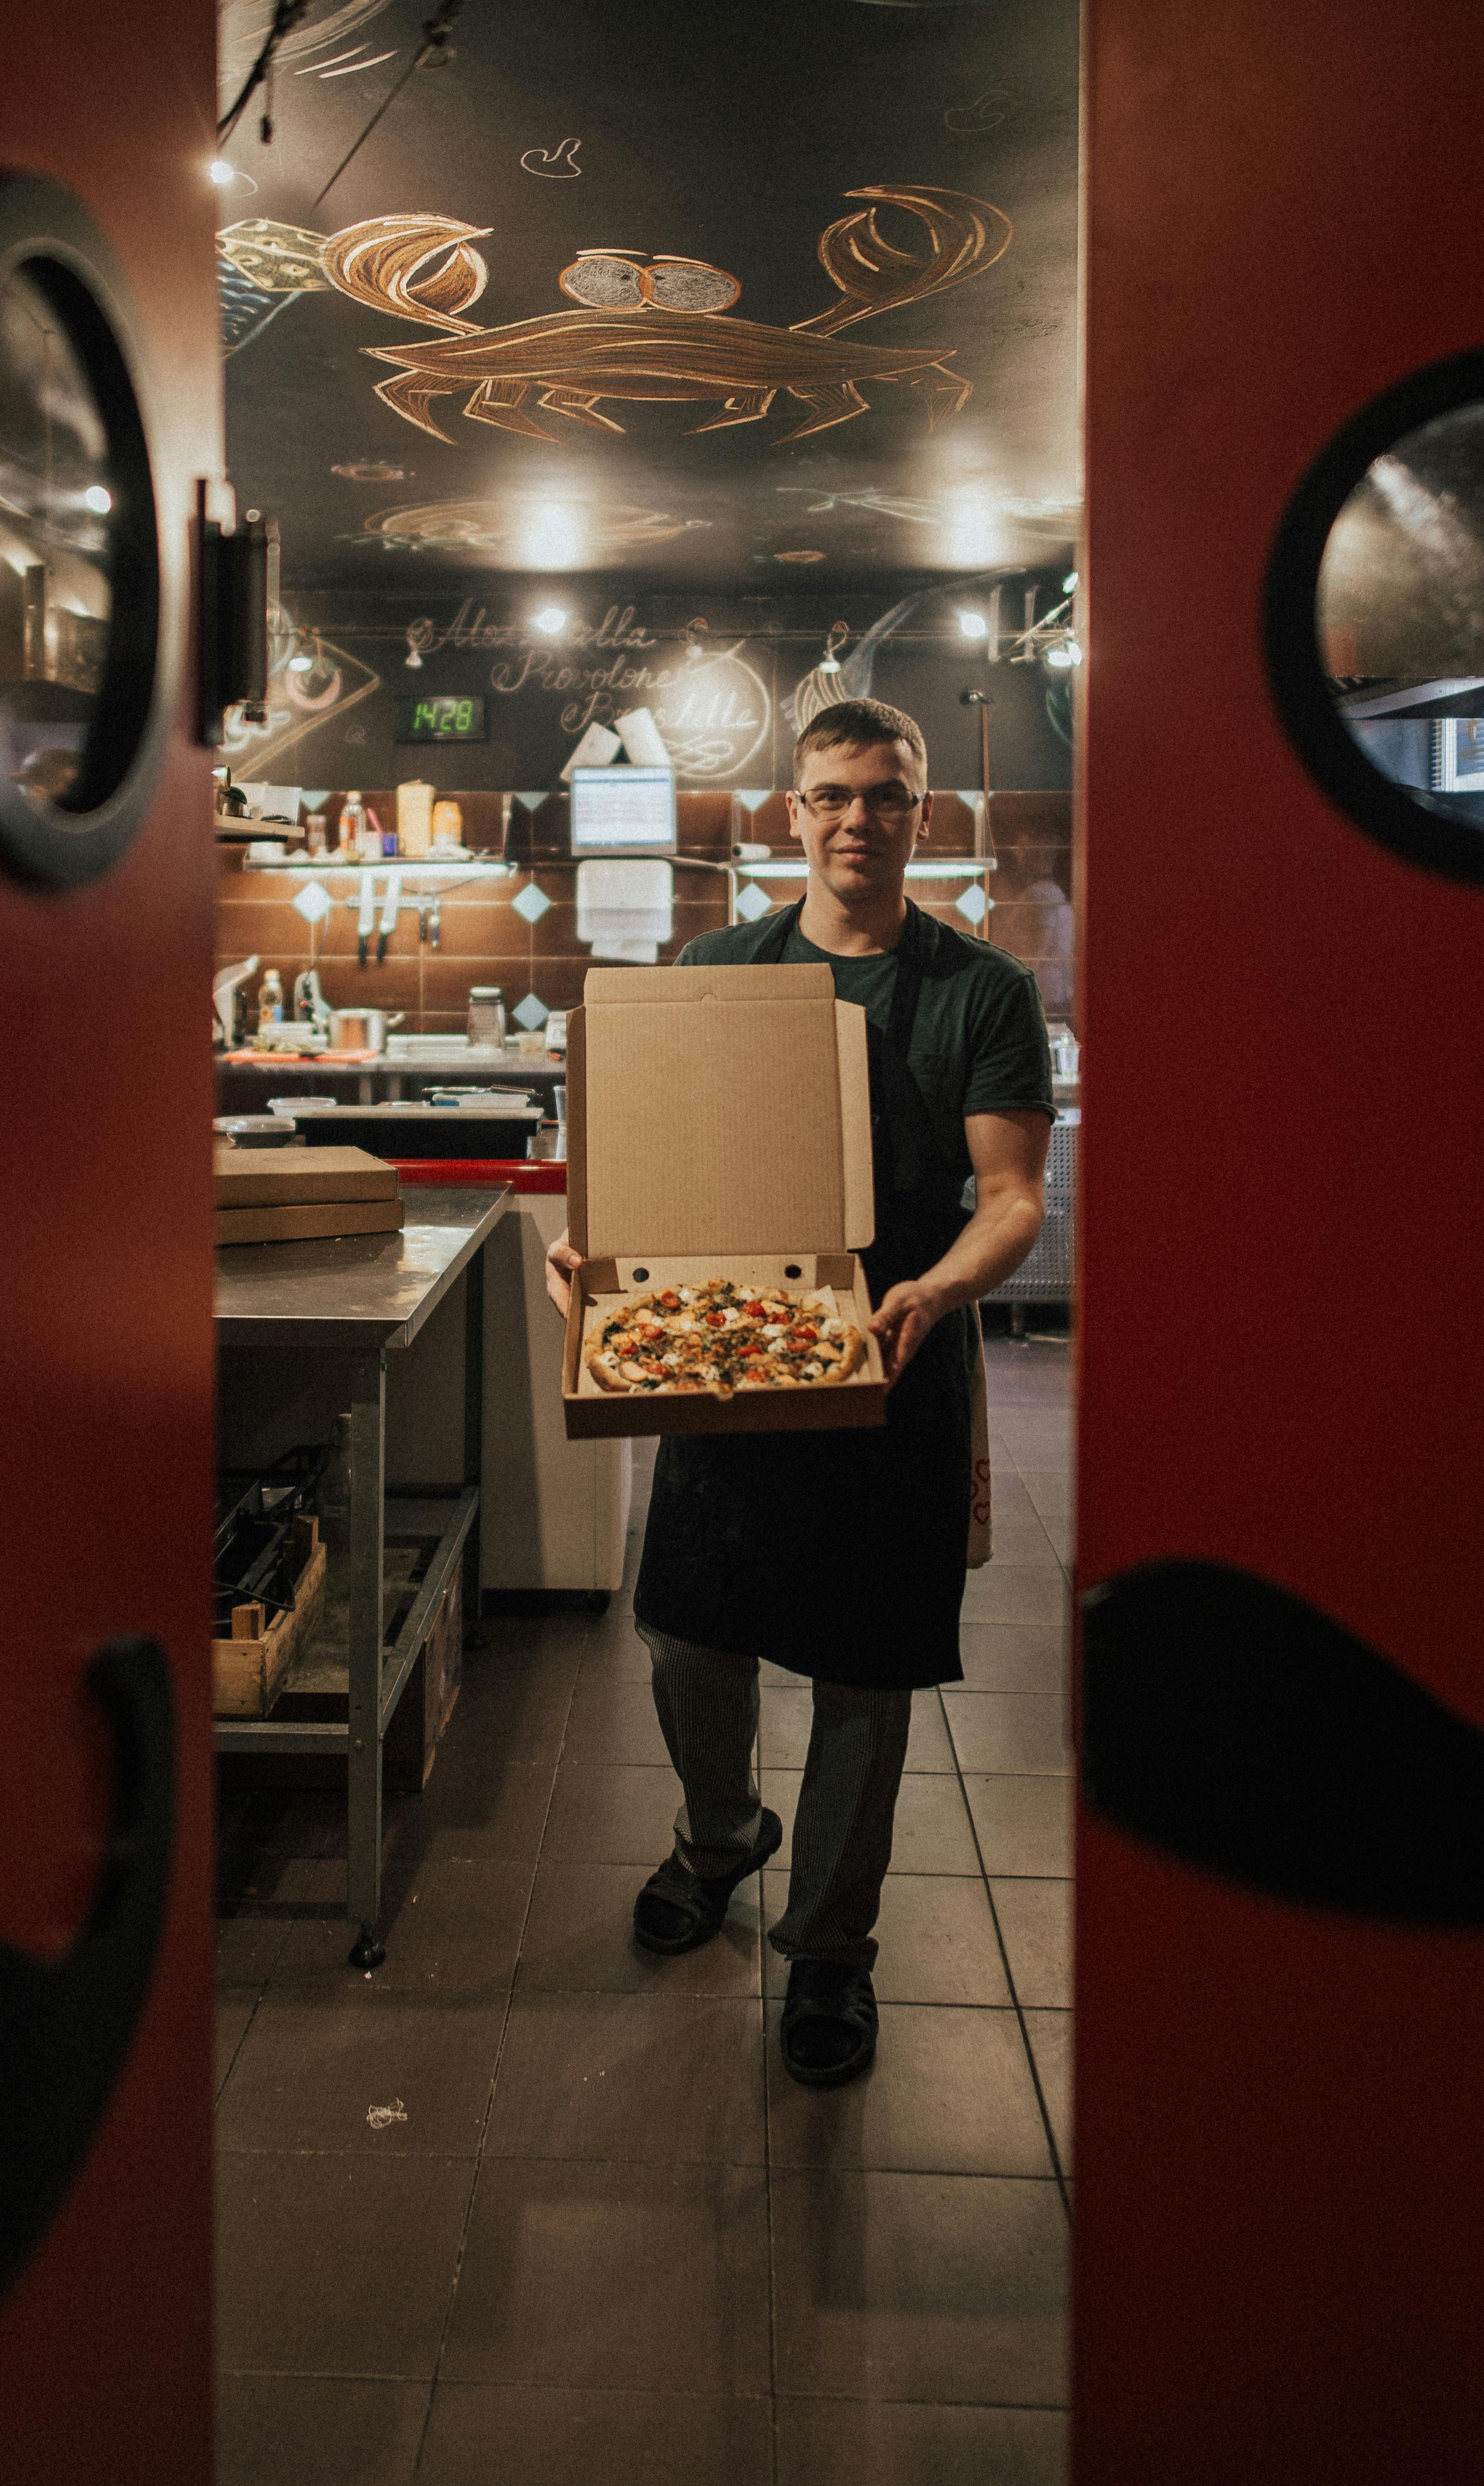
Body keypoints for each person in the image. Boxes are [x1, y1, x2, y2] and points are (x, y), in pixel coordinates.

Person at [546, 698, 1053, 2088]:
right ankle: (719, 1835)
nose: (855, 819)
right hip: (743, 1345)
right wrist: (596, 1256)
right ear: (792, 813)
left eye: (883, 796)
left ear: (921, 814)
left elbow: (1011, 1199)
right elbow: (652, 1168)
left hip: (897, 1358)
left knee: (863, 1671)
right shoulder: (720, 965)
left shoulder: (979, 990)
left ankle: (829, 1944)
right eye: (829, 794)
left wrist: (938, 1289)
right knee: (686, 1636)